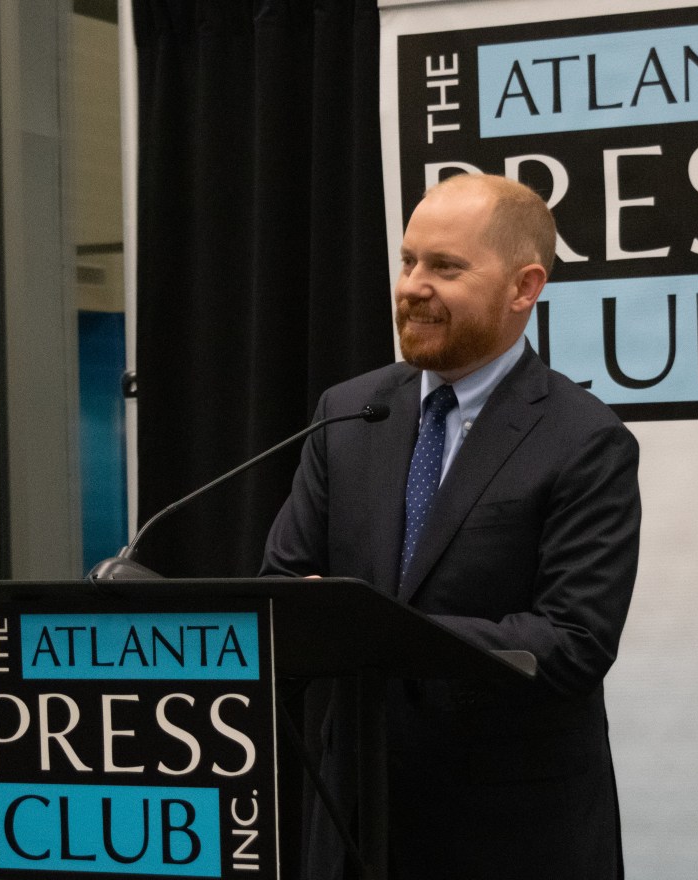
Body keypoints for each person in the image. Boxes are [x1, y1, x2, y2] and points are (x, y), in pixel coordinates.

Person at [261, 173, 641, 880]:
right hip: (354, 819)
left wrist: (376, 632)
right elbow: (282, 586)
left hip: (508, 831)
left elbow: (574, 641)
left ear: (524, 287)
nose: (412, 286)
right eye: (408, 262)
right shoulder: (348, 413)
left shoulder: (584, 440)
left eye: (445, 267)